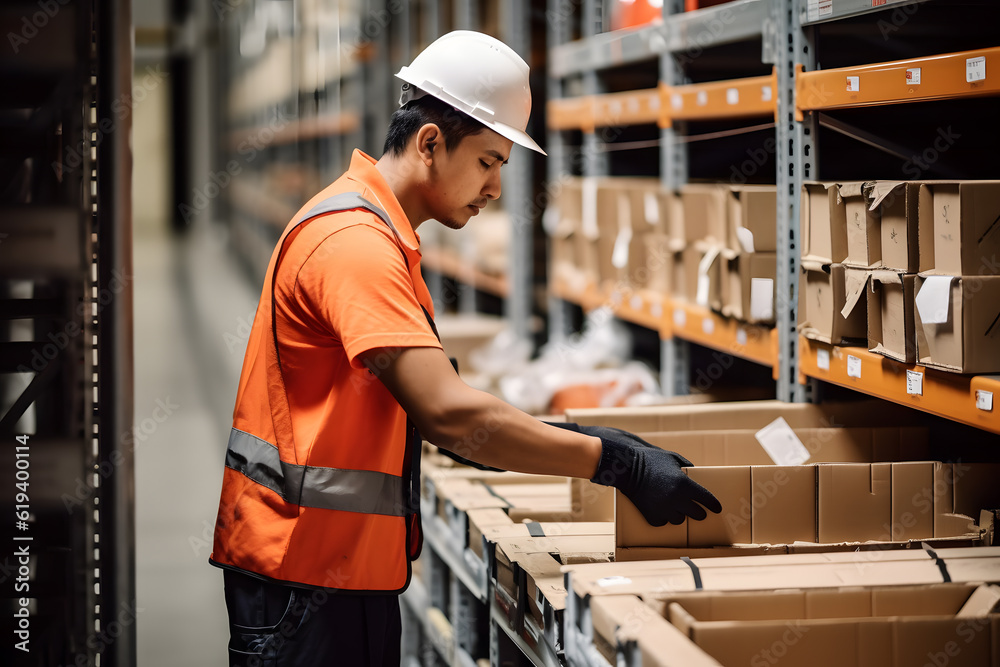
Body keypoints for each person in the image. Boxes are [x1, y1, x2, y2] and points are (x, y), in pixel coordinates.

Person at [210, 30, 721, 667]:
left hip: (332, 567)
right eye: (488, 162)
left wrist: (561, 433)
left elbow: (423, 410)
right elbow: (448, 414)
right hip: (301, 576)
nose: (496, 188)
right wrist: (613, 462)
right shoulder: (355, 245)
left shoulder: (375, 231)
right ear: (430, 143)